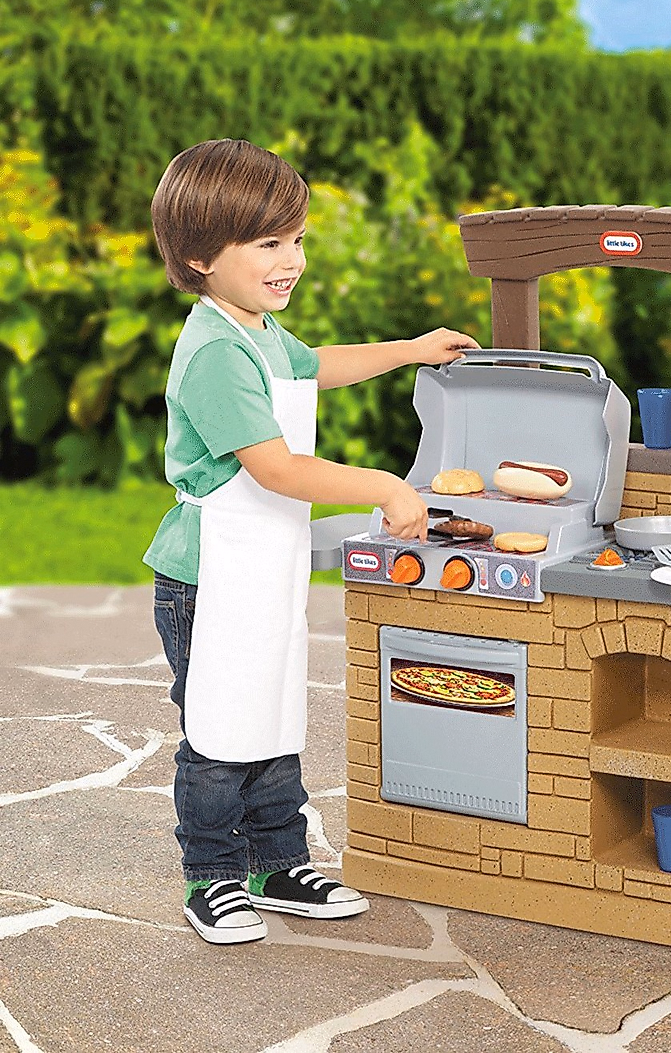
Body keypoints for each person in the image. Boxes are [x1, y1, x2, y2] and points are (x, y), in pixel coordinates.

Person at [143, 138, 479, 944]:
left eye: (296, 239)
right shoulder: (215, 352)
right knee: (219, 729)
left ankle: (277, 864)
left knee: (271, 712)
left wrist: (412, 350)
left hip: (262, 567)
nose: (291, 259)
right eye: (268, 244)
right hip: (210, 576)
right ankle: (212, 876)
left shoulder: (256, 330)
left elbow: (315, 366)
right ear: (200, 257)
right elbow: (277, 469)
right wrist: (387, 486)